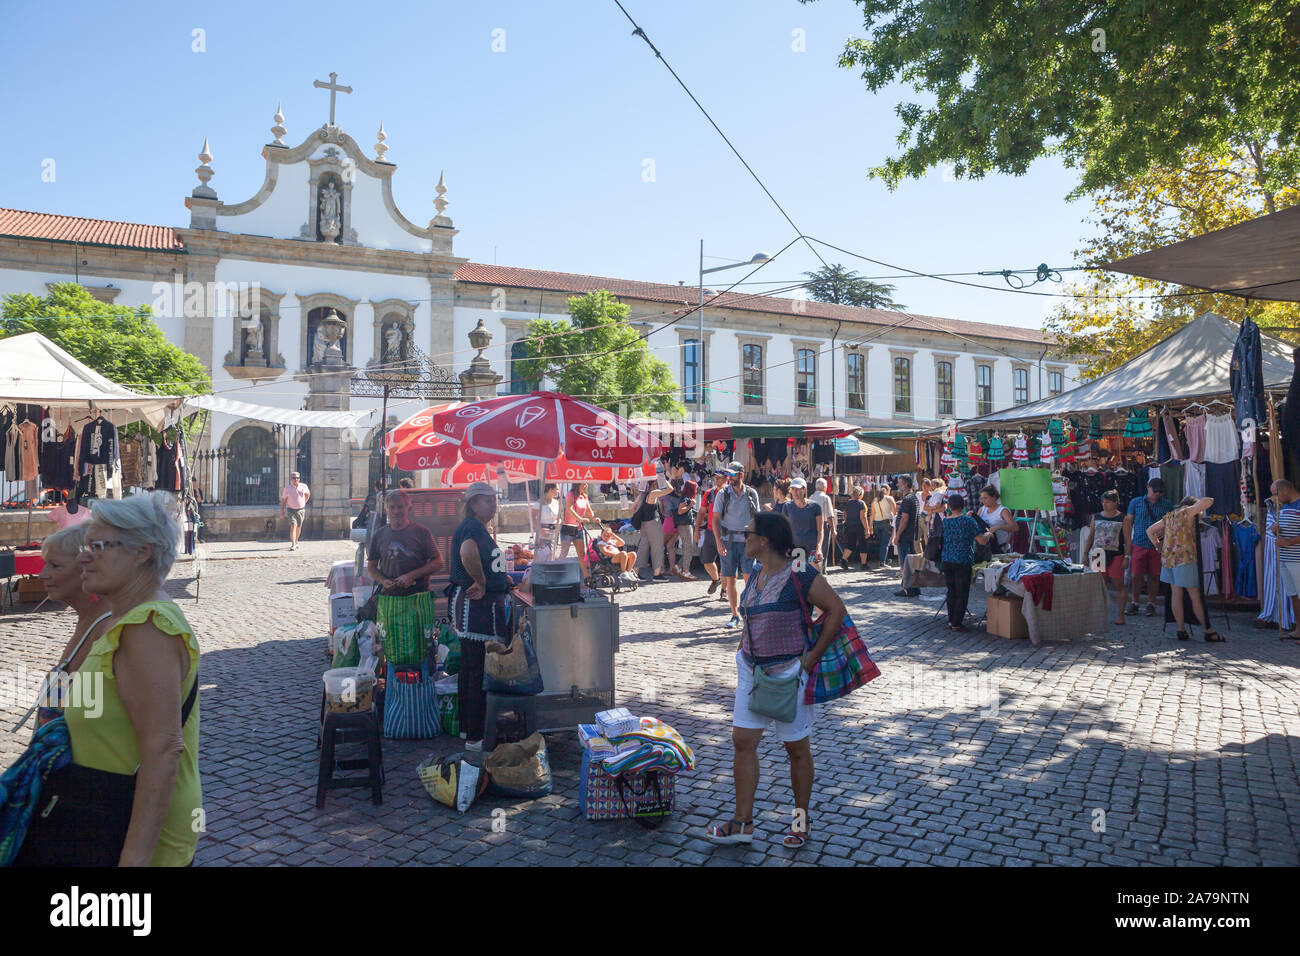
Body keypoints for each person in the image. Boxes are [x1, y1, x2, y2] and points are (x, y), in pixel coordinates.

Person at [16, 492, 201, 867]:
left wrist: (133, 860)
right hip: (105, 811)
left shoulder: (145, 626)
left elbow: (164, 750)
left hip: (124, 825)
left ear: (142, 552)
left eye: (97, 546)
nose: (84, 556)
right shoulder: (129, 620)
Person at [704, 511, 847, 850]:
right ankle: (742, 822)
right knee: (742, 741)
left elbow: (836, 610)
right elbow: (752, 612)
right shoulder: (756, 569)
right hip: (752, 670)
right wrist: (743, 646)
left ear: (764, 540)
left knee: (796, 748)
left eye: (748, 533)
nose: (744, 538)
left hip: (788, 673)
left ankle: (801, 820)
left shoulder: (798, 571)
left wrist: (810, 660)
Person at [22, 525, 111, 732]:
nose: (43, 574)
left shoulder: (107, 628)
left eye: (54, 566)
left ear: (87, 567)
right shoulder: (89, 620)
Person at [448, 481, 514, 751]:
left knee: (470, 668)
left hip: (473, 606)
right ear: (473, 504)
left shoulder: (476, 527)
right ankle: (475, 736)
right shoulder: (473, 527)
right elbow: (467, 552)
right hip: (477, 607)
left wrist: (500, 576)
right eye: (488, 501)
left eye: (494, 500)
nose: (493, 505)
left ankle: (468, 730)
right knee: (476, 671)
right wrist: (482, 581)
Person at [366, 489, 444, 666]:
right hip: (390, 602)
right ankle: (394, 685)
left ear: (409, 508)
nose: (396, 511)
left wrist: (412, 575)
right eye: (392, 507)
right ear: (386, 509)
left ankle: (423, 683)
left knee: (421, 647)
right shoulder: (379, 535)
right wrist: (382, 580)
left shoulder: (421, 532)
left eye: (400, 507)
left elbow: (438, 562)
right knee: (392, 648)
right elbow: (371, 567)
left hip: (418, 599)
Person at [1146, 495, 1221, 642]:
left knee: (1176, 594)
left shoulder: (1169, 516)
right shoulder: (1187, 512)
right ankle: (1208, 631)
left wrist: (1157, 545)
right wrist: (1197, 505)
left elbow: (1150, 530)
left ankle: (1181, 629)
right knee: (1195, 596)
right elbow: (1209, 501)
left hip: (1168, 559)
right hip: (1184, 558)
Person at [714, 463, 762, 628]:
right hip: (728, 540)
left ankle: (749, 612)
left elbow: (757, 518)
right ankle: (735, 615)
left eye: (733, 475)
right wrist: (718, 542)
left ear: (741, 475)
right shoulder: (723, 494)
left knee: (749, 578)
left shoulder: (751, 493)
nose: (730, 478)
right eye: (729, 475)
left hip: (748, 540)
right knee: (731, 578)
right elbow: (715, 519)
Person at [938, 493, 991, 631]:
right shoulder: (968, 521)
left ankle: (951, 621)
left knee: (951, 591)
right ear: (963, 505)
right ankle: (957, 623)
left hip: (947, 559)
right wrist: (989, 534)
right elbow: (982, 540)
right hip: (962, 559)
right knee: (962, 592)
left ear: (949, 507)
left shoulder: (946, 522)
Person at [1123, 477, 1172, 617]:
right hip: (1139, 542)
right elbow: (1129, 522)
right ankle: (1135, 602)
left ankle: (1151, 603)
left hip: (1157, 545)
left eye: (1159, 492)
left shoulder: (1166, 505)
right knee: (1136, 575)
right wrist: (1127, 541)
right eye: (1154, 490)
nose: (1157, 494)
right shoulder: (1136, 502)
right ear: (1148, 487)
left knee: (1154, 575)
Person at [1084, 490, 1131, 626]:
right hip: (1098, 553)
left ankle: (1121, 614)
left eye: (1108, 502)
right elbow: (1091, 536)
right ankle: (1099, 613)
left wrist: (1127, 557)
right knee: (1099, 584)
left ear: (1116, 502)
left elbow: (1128, 540)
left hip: (1116, 554)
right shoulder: (1096, 516)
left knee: (1118, 584)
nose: (1105, 505)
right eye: (1103, 502)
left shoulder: (1123, 518)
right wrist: (1085, 553)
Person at [1271, 479, 1300, 639]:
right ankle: (1299, 629)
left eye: (1276, 494)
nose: (1276, 498)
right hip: (1285, 558)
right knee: (1294, 594)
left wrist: (1289, 541)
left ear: (1285, 491)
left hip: (1297, 558)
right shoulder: (1285, 507)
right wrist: (1276, 530)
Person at [781, 478, 824, 571]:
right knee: (799, 578)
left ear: (805, 490)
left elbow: (820, 530)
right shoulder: (787, 507)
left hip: (812, 549)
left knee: (815, 576)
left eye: (797, 489)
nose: (794, 492)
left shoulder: (815, 507)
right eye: (792, 489)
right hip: (797, 550)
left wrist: (818, 548)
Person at [632, 481, 670, 580]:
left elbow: (633, 508)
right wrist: (663, 478)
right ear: (654, 483)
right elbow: (670, 489)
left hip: (644, 524)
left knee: (643, 547)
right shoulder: (653, 493)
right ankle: (657, 574)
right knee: (657, 547)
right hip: (653, 523)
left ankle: (635, 572)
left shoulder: (642, 495)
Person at [699, 470, 728, 596]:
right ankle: (716, 580)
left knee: (727, 563)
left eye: (719, 478)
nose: (716, 480)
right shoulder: (709, 493)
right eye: (715, 478)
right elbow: (701, 512)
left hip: (726, 532)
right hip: (710, 531)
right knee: (707, 561)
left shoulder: (730, 494)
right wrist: (697, 529)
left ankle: (724, 590)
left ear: (726, 479)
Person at [661, 478, 696, 581]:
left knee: (668, 546)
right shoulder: (685, 498)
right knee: (687, 548)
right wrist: (691, 505)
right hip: (683, 524)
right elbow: (681, 511)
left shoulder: (674, 496)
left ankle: (676, 568)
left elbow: (664, 511)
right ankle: (684, 571)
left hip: (676, 523)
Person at [892, 477, 921, 597]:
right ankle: (914, 588)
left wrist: (897, 535)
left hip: (905, 536)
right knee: (911, 564)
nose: (898, 485)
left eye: (899, 483)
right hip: (910, 535)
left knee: (906, 564)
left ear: (905, 484)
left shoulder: (908, 499)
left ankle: (908, 589)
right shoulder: (914, 498)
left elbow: (904, 519)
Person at [559, 482, 596, 576]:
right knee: (564, 553)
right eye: (583, 484)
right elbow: (569, 508)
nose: (586, 486)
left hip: (578, 529)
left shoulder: (584, 497)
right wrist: (580, 518)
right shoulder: (570, 494)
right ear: (577, 485)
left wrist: (595, 519)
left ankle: (586, 577)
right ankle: (558, 573)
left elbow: (589, 511)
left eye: (586, 484)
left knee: (582, 554)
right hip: (568, 527)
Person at [976, 487, 1016, 554]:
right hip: (985, 547)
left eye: (985, 498)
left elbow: (1014, 527)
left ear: (994, 497)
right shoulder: (982, 510)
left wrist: (999, 527)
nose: (983, 501)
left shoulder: (1003, 510)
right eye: (981, 498)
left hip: (1000, 547)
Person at [839, 485, 871, 569]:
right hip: (859, 526)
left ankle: (843, 559)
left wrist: (848, 521)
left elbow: (845, 514)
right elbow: (863, 517)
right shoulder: (861, 503)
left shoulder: (848, 503)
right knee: (863, 544)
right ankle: (863, 564)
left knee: (850, 544)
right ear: (860, 494)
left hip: (849, 526)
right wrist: (867, 529)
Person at [810, 478, 837, 570]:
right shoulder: (825, 498)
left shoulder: (811, 497)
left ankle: (812, 567)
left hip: (813, 524)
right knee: (823, 548)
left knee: (814, 547)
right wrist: (833, 530)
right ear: (824, 487)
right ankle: (822, 569)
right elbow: (829, 515)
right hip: (823, 525)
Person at [280, 471, 311, 550]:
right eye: (294, 478)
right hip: (291, 510)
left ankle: (296, 541)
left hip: (301, 510)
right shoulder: (287, 488)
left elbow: (308, 494)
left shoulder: (304, 486)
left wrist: (304, 502)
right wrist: (282, 510)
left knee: (299, 527)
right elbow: (284, 500)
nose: (296, 479)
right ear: (291, 479)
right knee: (293, 526)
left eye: (297, 478)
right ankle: (293, 544)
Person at [871, 486, 897, 569]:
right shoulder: (889, 498)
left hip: (876, 523)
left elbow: (872, 514)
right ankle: (882, 562)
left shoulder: (874, 500)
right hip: (886, 522)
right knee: (885, 544)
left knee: (880, 543)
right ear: (888, 490)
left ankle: (881, 559)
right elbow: (894, 511)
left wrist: (870, 526)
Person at [535, 483, 561, 559]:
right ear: (550, 490)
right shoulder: (539, 503)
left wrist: (558, 522)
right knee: (543, 554)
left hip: (554, 531)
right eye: (557, 489)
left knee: (552, 554)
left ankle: (551, 569)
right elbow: (532, 518)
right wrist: (540, 529)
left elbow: (560, 517)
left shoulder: (557, 503)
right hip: (543, 532)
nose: (558, 491)